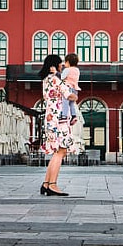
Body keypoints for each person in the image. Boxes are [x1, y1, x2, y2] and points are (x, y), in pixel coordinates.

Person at [38, 54, 76, 197]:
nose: (62, 65)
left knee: (57, 151)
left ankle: (46, 184)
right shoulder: (55, 79)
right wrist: (74, 95)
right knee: (61, 151)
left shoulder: (46, 80)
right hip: (59, 119)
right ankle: (52, 185)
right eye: (60, 63)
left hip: (50, 119)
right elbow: (69, 95)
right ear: (54, 65)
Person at [59, 53, 81, 125]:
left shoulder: (67, 70)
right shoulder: (77, 70)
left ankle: (64, 116)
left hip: (68, 88)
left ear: (68, 62)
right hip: (75, 89)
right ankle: (74, 115)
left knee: (65, 101)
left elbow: (62, 77)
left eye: (65, 62)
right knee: (72, 103)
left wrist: (56, 73)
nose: (64, 64)